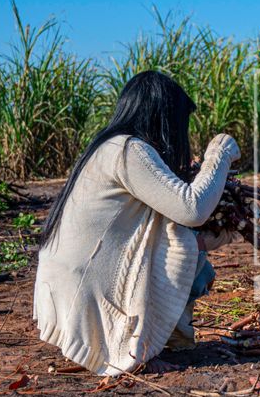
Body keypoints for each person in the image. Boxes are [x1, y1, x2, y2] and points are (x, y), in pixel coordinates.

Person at [33, 71, 240, 375]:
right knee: (187, 252)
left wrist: (219, 235)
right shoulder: (127, 150)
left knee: (194, 259)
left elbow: (165, 228)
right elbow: (192, 209)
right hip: (82, 288)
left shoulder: (108, 147)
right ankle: (133, 348)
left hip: (67, 282)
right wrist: (219, 154)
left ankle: (151, 340)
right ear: (165, 117)